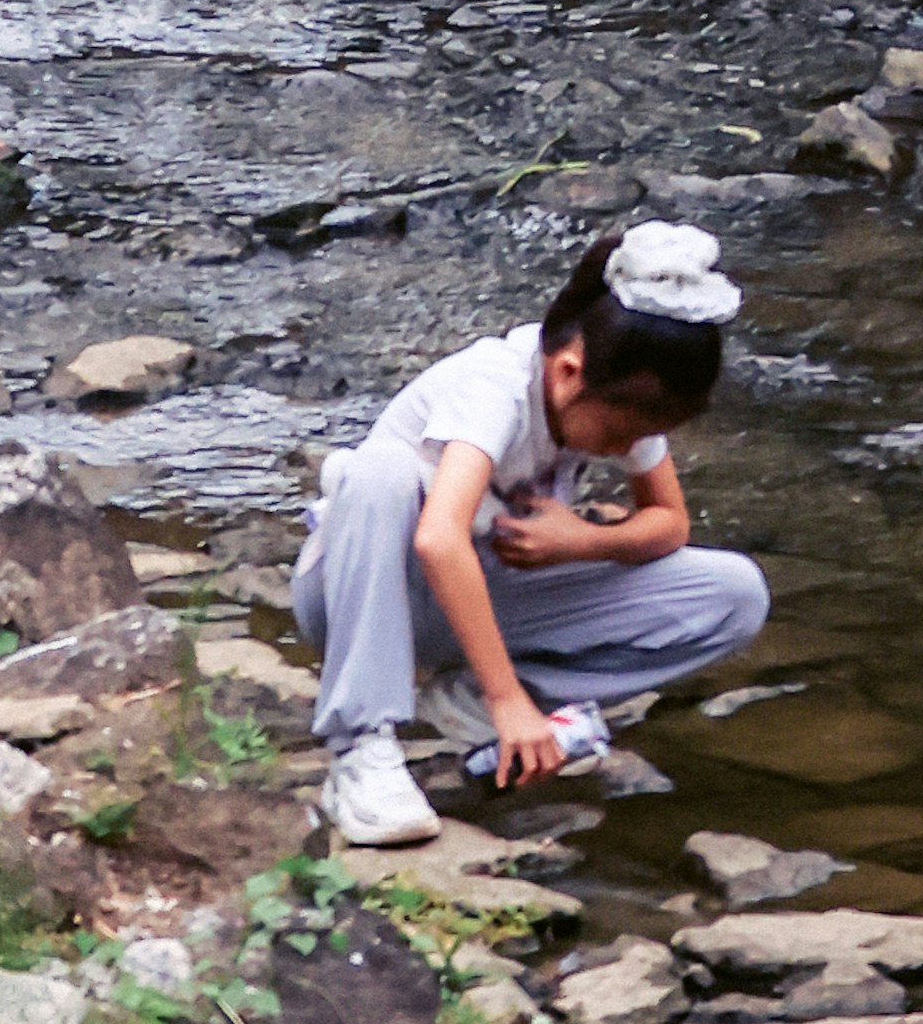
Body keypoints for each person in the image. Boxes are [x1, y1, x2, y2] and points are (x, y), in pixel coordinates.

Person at [297, 218, 766, 848]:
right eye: (619, 432)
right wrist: (509, 699)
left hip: (477, 600)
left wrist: (584, 541)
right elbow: (438, 537)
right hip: (367, 598)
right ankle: (361, 748)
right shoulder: (494, 385)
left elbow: (669, 525)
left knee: (736, 594)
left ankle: (462, 700)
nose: (629, 447)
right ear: (570, 370)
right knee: (378, 470)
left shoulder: (622, 393)